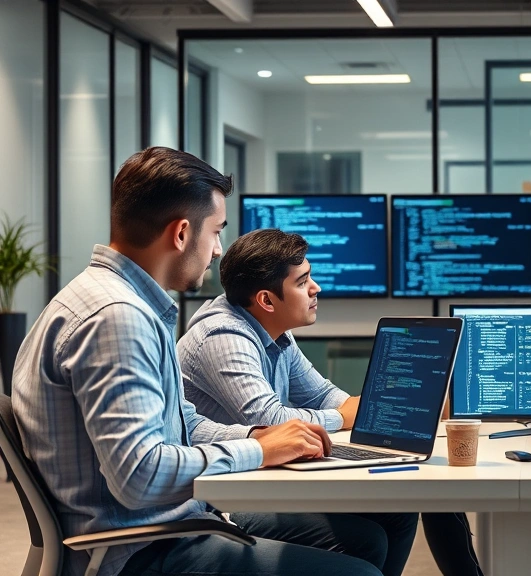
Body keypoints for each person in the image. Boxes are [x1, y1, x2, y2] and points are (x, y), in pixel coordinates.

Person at [12, 147, 391, 576]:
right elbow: (140, 476)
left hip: (170, 523)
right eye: (215, 232)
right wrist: (258, 450)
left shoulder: (108, 300)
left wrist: (259, 435)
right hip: (142, 549)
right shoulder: (117, 318)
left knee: (368, 539)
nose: (217, 251)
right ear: (181, 234)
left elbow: (182, 422)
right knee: (360, 572)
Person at [178, 228, 483, 576]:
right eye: (303, 281)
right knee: (370, 540)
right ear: (266, 300)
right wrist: (345, 416)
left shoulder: (275, 333)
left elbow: (323, 394)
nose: (315, 288)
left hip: (256, 478)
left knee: (399, 510)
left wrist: (370, 412)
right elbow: (273, 419)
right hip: (224, 497)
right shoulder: (224, 335)